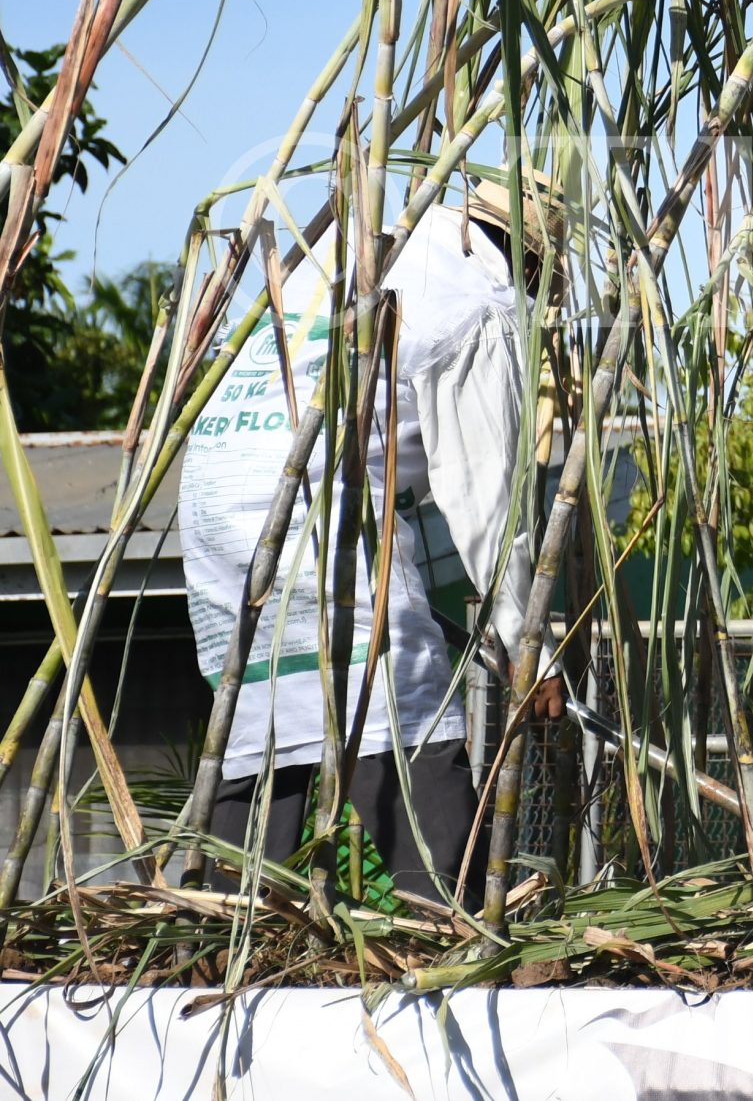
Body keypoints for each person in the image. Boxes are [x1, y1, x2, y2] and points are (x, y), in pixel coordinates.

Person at [182, 178, 558, 899]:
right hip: (317, 529)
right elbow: (487, 497)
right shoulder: (478, 292)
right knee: (399, 709)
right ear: (530, 261)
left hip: (221, 524)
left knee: (262, 728)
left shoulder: (341, 257)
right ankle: (448, 922)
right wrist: (528, 640)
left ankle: (208, 933)